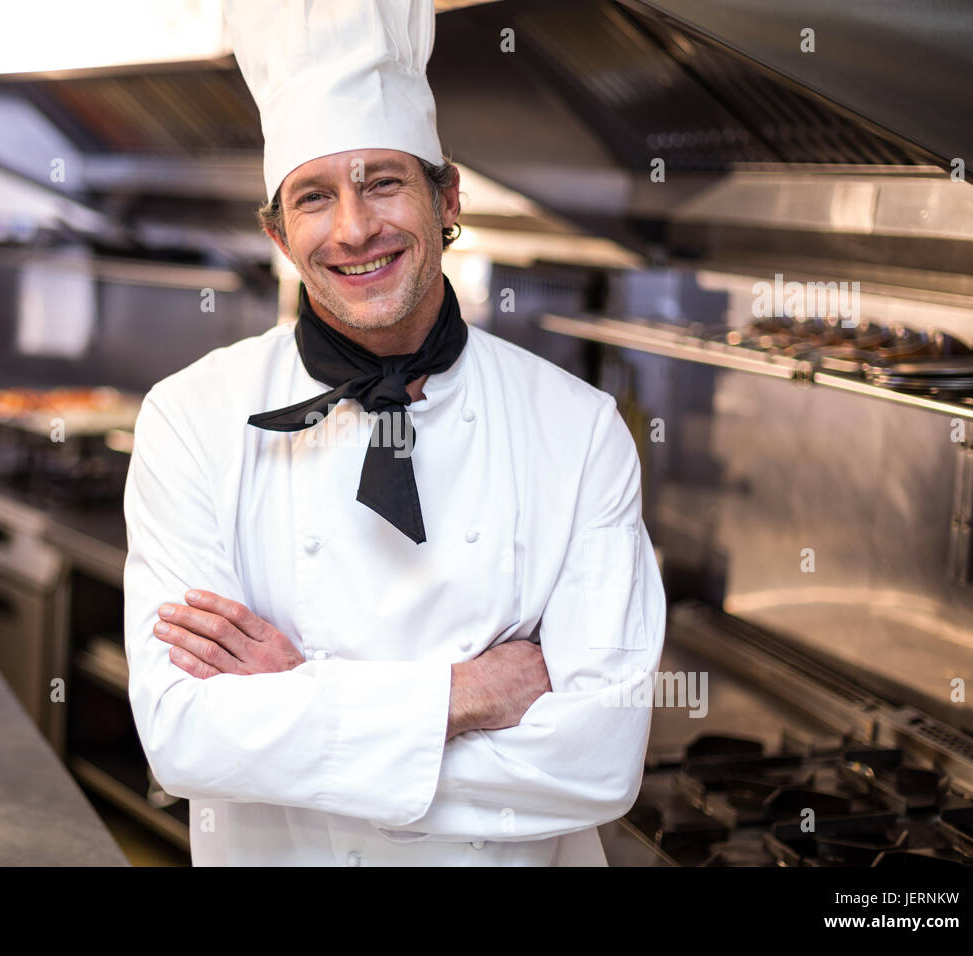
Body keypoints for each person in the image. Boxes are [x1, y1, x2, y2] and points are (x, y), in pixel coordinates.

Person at [122, 0, 666, 866]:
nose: (354, 229)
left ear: (447, 197)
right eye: (314, 197)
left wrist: (297, 714)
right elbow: (184, 737)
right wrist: (466, 694)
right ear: (277, 233)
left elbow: (596, 766)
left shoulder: (579, 428)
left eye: (383, 182)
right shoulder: (191, 419)